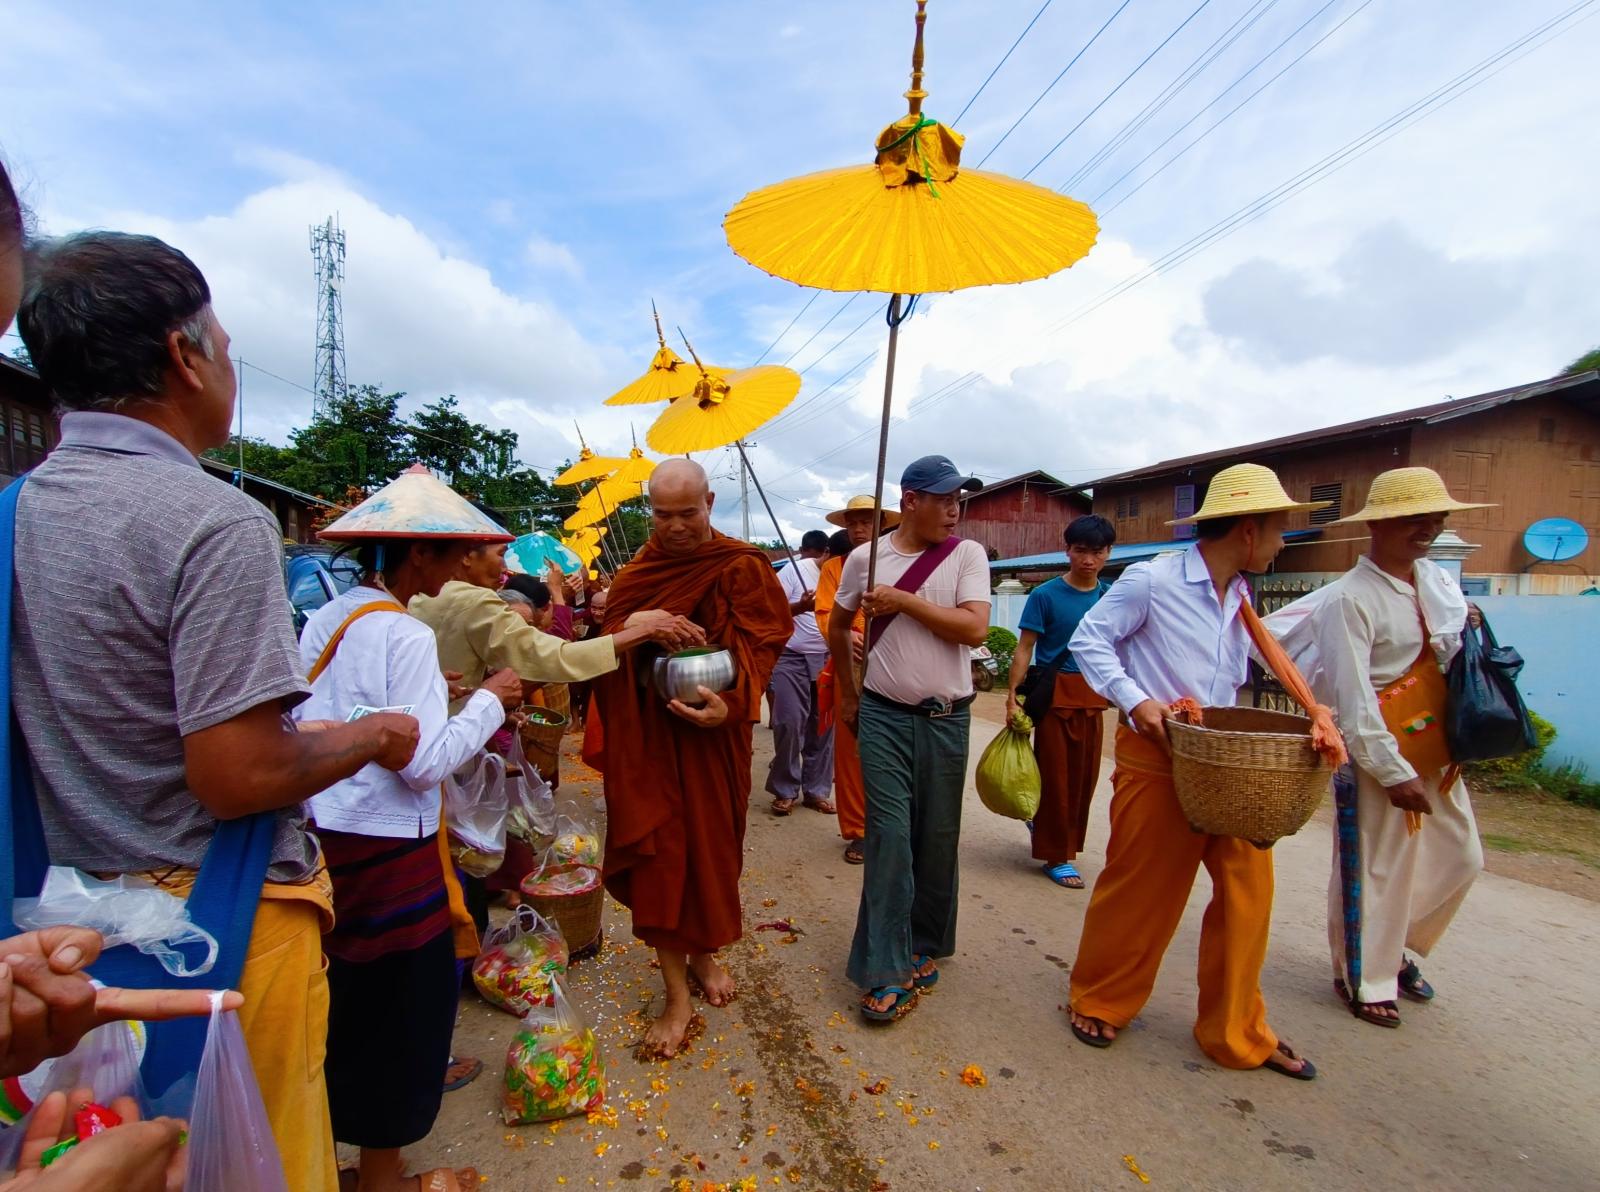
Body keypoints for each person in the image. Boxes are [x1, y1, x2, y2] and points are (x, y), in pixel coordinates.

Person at [12, 231, 420, 1191]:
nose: (230, 367)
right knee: (258, 1159)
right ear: (181, 356)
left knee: (120, 1152)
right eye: (227, 346)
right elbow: (236, 775)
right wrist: (369, 734)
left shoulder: (14, 512)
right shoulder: (212, 519)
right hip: (221, 918)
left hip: (61, 931)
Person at [297, 467, 532, 1192]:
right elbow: (424, 764)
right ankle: (384, 1177)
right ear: (418, 556)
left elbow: (335, 717)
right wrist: (490, 702)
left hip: (326, 839)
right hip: (391, 849)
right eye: (453, 551)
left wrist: (446, 700)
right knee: (403, 1016)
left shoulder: (328, 618)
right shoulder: (402, 630)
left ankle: (339, 1158)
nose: (466, 564)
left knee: (348, 1007)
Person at [1063, 463, 1328, 1080]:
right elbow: (1090, 640)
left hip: (1228, 763)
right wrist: (1137, 700)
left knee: (1248, 894)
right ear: (1246, 530)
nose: (1281, 542)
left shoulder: (1240, 593)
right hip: (1157, 755)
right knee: (1142, 886)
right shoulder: (1151, 581)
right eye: (1277, 529)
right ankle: (1101, 998)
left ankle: (1237, 1028)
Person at [1266, 467, 1488, 1028]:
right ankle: (1363, 975)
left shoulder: (1435, 581)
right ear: (1382, 523)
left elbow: (1452, 649)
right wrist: (1390, 770)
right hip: (1379, 751)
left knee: (1462, 855)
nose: (1429, 528)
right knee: (1376, 869)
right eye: (1416, 517)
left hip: (1438, 747)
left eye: (1435, 518)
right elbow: (1353, 695)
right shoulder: (1348, 600)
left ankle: (1394, 947)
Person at [592, 460, 791, 1057]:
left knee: (709, 853)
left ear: (709, 501)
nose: (675, 527)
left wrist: (730, 705)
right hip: (649, 740)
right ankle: (676, 994)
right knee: (659, 859)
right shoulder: (640, 571)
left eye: (687, 513)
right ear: (648, 509)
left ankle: (704, 954)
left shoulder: (742, 565)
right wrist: (641, 627)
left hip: (713, 738)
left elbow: (763, 644)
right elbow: (606, 637)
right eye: (662, 514)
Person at [829, 457, 991, 1023]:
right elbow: (837, 623)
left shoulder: (967, 555)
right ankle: (886, 966)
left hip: (950, 718)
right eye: (944, 500)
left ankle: (925, 941)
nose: (954, 511)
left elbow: (973, 628)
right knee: (891, 838)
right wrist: (848, 693)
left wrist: (904, 602)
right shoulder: (863, 559)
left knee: (937, 838)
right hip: (883, 716)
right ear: (910, 500)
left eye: (959, 501)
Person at [1005, 515, 1117, 889]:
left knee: (1084, 780)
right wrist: (1011, 698)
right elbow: (1024, 649)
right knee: (1055, 779)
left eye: (1096, 552)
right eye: (1080, 551)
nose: (1088, 560)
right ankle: (1057, 855)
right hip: (1054, 698)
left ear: (1108, 554)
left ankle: (1060, 837)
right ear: (1067, 550)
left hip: (1094, 697)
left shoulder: (1111, 596)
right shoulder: (1045, 595)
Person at [814, 497, 900, 864]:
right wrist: (844, 635)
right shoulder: (835, 566)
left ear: (881, 524)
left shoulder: (899, 561)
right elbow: (824, 612)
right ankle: (858, 830)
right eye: (853, 524)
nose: (859, 529)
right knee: (851, 751)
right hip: (850, 664)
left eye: (867, 522)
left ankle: (892, 827)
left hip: (895, 661)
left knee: (893, 750)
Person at [766, 530, 836, 816]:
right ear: (826, 554)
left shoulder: (843, 573)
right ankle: (785, 789)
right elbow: (771, 611)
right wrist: (800, 607)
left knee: (823, 727)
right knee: (788, 722)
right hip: (790, 657)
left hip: (827, 657)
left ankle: (816, 791)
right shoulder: (791, 573)